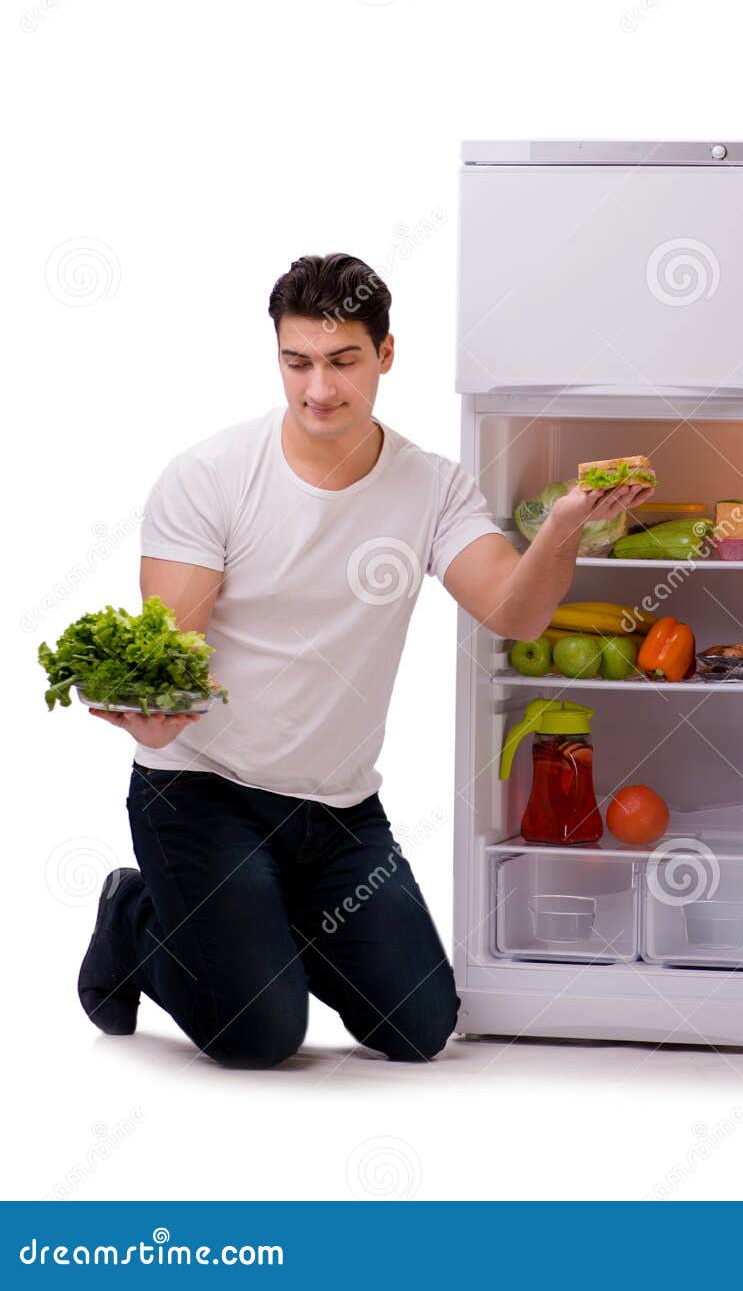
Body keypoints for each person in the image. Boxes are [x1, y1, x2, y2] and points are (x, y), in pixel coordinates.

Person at [78, 252, 653, 1069]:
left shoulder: (432, 487)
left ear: (386, 354)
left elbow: (513, 608)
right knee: (260, 1038)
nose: (319, 389)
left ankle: (253, 927)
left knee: (420, 1029)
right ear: (277, 355)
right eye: (298, 362)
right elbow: (172, 655)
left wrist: (564, 526)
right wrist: (151, 707)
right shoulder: (209, 476)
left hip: (337, 814)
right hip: (205, 796)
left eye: (343, 361)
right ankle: (136, 914)